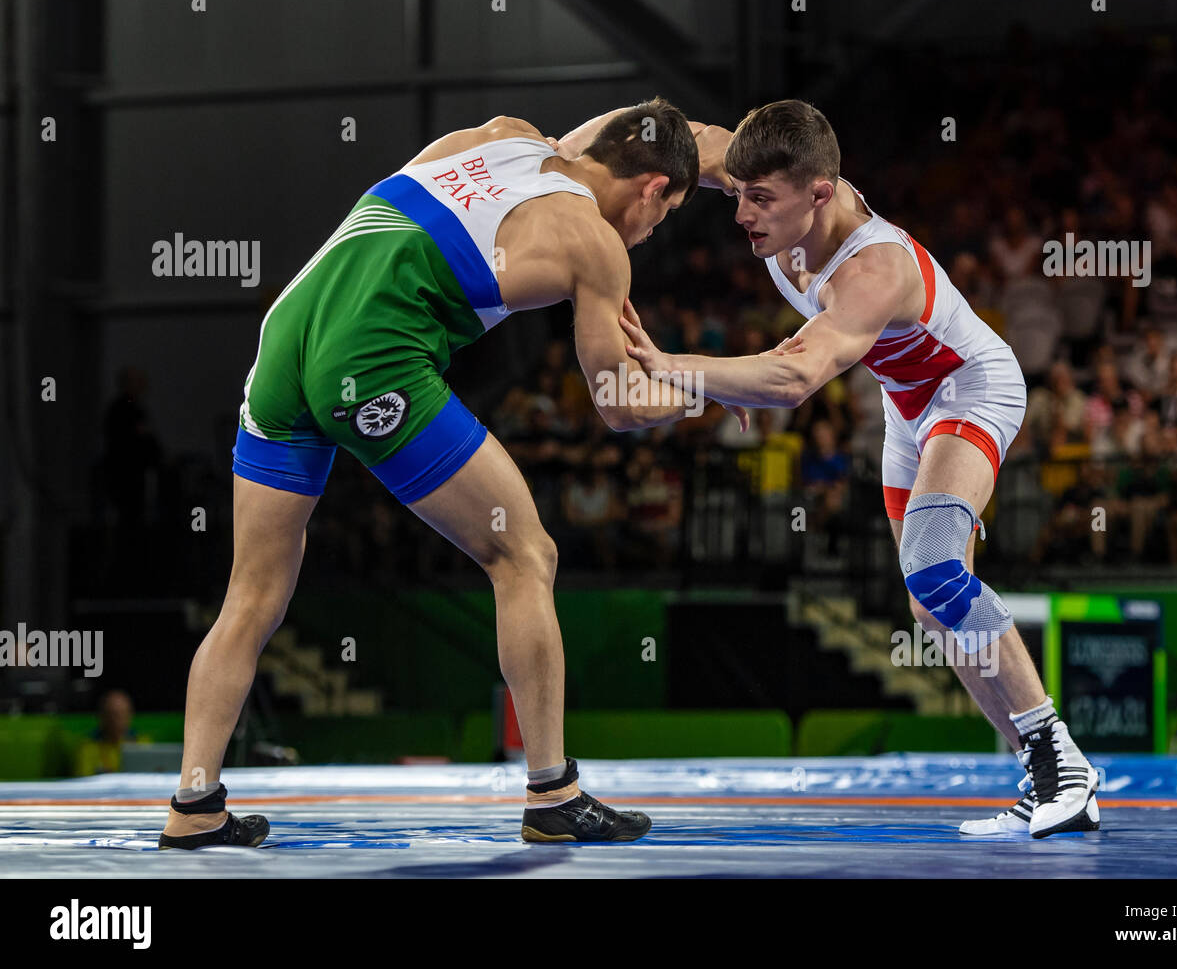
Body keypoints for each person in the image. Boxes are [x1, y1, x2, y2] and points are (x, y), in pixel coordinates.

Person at [160, 99, 750, 850]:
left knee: (252, 593)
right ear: (652, 190)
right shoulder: (595, 245)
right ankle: (552, 791)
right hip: (368, 358)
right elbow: (620, 405)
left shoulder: (505, 136)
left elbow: (655, 128)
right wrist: (713, 383)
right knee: (525, 554)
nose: (651, 231)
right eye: (663, 214)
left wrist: (722, 171)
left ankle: (194, 801)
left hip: (287, 335)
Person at [622, 100, 1100, 838]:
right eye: (738, 193)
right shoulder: (759, 172)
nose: (741, 214)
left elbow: (794, 380)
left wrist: (678, 367)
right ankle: (1048, 779)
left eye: (761, 201)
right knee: (929, 603)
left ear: (820, 193)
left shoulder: (875, 267)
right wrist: (554, 159)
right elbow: (671, 132)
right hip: (908, 407)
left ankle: (1062, 764)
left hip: (971, 385)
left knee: (936, 569)